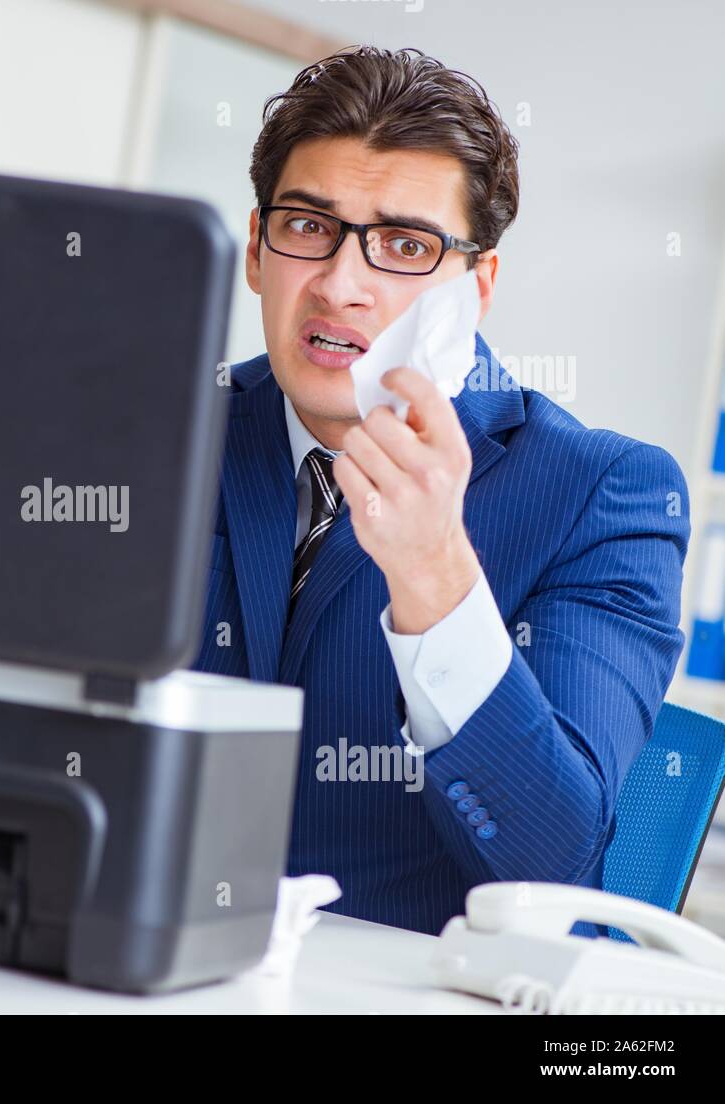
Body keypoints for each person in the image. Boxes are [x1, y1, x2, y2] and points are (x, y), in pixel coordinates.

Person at [191, 45, 689, 935]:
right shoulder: (167, 429)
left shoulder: (605, 496)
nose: (341, 285)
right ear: (258, 252)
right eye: (307, 226)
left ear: (477, 287)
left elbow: (552, 867)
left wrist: (435, 581)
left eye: (405, 245)